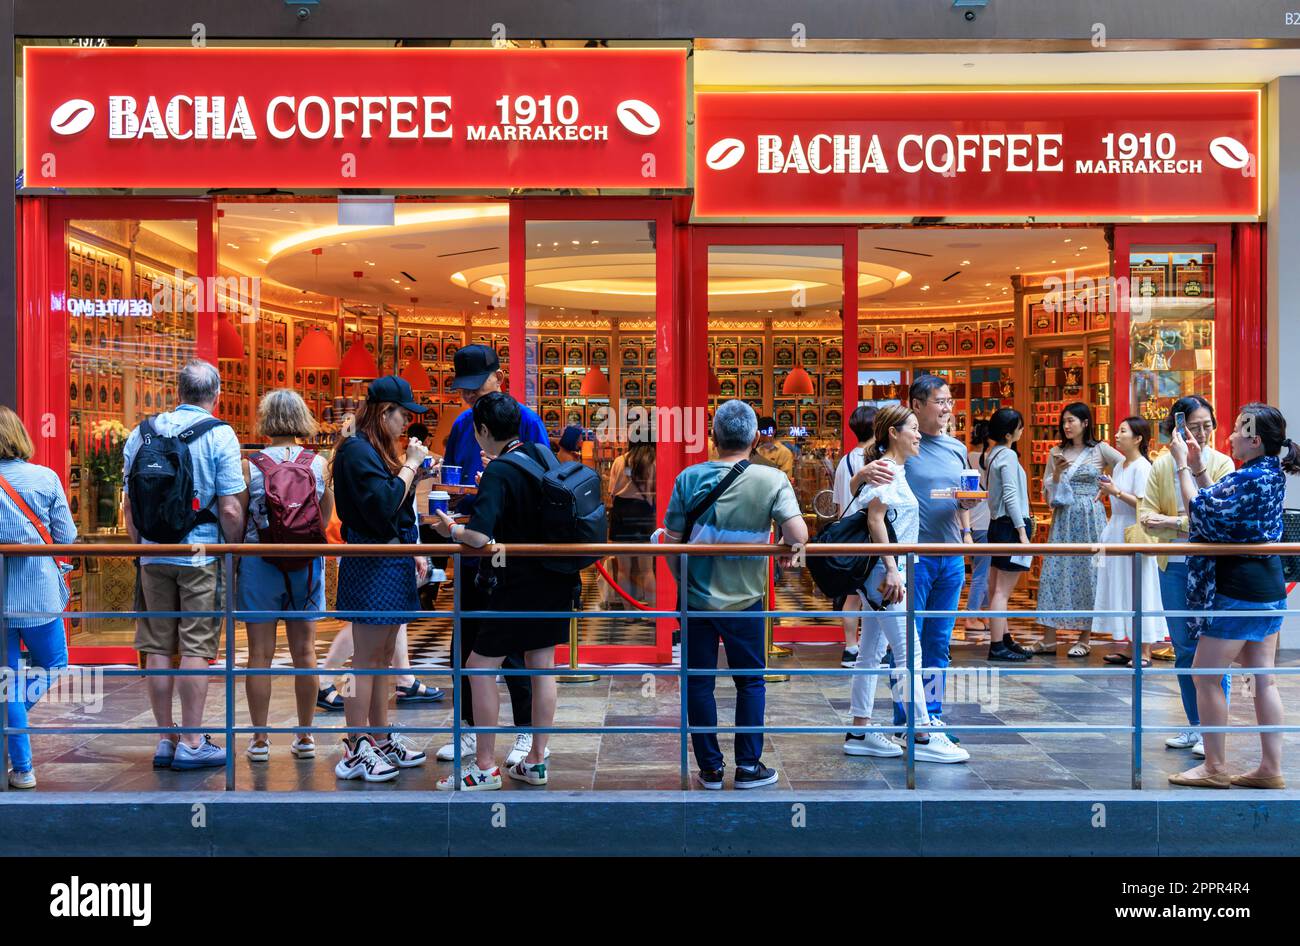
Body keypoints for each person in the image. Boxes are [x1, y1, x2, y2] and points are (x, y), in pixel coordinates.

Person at [432, 392, 578, 791]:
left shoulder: (499, 471)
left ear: (481, 430)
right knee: (542, 666)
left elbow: (479, 535)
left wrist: (453, 530)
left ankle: (483, 766)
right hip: (555, 579)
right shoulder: (540, 454)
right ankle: (536, 761)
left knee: (479, 667)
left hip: (516, 583)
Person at [662, 399, 807, 790]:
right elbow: (798, 536)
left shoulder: (688, 478)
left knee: (697, 682)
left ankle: (709, 770)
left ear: (713, 437)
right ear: (756, 438)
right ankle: (748, 767)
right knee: (750, 681)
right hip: (747, 598)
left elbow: (673, 542)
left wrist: (685, 582)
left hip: (696, 599)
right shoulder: (772, 479)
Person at [121, 360, 247, 771]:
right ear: (217, 393)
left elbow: (129, 505)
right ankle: (193, 742)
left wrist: (141, 549)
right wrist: (233, 552)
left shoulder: (141, 433)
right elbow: (229, 507)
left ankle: (166, 738)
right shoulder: (220, 434)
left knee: (157, 647)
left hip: (153, 554)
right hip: (201, 554)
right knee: (196, 647)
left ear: (177, 391)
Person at [1168, 403, 1295, 790]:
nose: (1230, 436)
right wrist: (1199, 465)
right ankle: (1270, 768)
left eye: (1239, 431)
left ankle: (1214, 765)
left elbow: (1201, 511)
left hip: (1237, 590)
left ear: (1255, 440)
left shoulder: (1252, 478)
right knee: (1264, 680)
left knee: (1205, 675)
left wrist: (1182, 466)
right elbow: (1222, 504)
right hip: (1268, 586)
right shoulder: (1266, 473)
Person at [434, 344, 549, 766]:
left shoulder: (525, 421)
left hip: (509, 550)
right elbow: (454, 480)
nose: (468, 396)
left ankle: (523, 734)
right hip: (471, 545)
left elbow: (543, 483)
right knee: (464, 638)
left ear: (498, 377)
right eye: (463, 389)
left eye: (475, 387)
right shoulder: (464, 424)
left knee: (516, 644)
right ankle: (466, 727)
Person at [842, 405, 969, 763]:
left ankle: (859, 729)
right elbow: (875, 518)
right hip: (888, 577)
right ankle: (922, 734)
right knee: (909, 651)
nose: (919, 435)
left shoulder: (890, 467)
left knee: (870, 652)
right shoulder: (888, 469)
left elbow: (861, 500)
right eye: (912, 428)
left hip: (884, 575)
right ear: (894, 432)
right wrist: (892, 569)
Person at [329, 374, 431, 782]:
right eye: (402, 414)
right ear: (382, 412)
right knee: (366, 658)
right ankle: (355, 747)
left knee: (382, 656)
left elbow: (393, 503)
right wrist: (410, 467)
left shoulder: (373, 448)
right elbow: (384, 502)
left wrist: (413, 474)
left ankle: (378, 736)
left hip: (388, 559)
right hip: (371, 562)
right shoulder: (356, 450)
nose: (406, 422)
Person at [238, 389, 333, 762]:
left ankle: (260, 740)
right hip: (305, 566)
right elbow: (324, 519)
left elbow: (241, 515)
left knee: (259, 654)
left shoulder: (251, 465)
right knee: (305, 653)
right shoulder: (317, 463)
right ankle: (306, 737)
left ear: (266, 420)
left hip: (260, 562)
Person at [1137, 396, 1234, 757]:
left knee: (1214, 649)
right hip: (1174, 566)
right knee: (1183, 649)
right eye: (1194, 426)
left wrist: (1175, 522)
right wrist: (1181, 526)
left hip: (1210, 567)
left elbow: (1215, 520)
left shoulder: (1223, 464)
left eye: (1208, 425)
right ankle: (1195, 725)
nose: (1203, 432)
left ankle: (1213, 731)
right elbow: (1146, 514)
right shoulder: (1162, 466)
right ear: (1178, 427)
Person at [0, 406, 76, 789]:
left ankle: (20, 758)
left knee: (4, 682)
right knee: (54, 662)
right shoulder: (44, 477)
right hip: (37, 593)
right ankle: (22, 765)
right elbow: (66, 537)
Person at [1032, 402, 1123, 657]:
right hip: (1063, 518)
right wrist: (1059, 475)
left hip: (1091, 518)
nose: (1066, 425)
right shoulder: (1055, 452)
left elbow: (1128, 465)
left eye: (1071, 420)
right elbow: (1047, 490)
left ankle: (1085, 637)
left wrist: (1113, 491)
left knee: (1090, 575)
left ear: (1085, 423)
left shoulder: (1101, 450)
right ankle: (1049, 638)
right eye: (1064, 421)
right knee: (1053, 573)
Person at [1096, 417, 1167, 667]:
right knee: (1121, 587)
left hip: (1134, 531)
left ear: (1138, 438)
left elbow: (1144, 504)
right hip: (1116, 528)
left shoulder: (1143, 467)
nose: (1117, 435)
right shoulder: (1119, 466)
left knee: (1139, 587)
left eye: (1122, 431)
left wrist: (1114, 492)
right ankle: (1129, 645)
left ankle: (1145, 649)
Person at [983, 408, 1035, 662]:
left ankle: (1004, 639)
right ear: (1009, 433)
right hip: (1010, 526)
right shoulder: (1009, 456)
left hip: (997, 525)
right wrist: (1022, 532)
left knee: (996, 587)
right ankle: (997, 645)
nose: (1022, 431)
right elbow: (1012, 497)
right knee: (1002, 591)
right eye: (1020, 427)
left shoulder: (992, 454)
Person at [832, 405, 877, 666]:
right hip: (871, 535)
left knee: (851, 596)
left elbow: (839, 507)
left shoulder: (845, 461)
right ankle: (873, 650)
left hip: (849, 536)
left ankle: (851, 648)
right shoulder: (878, 460)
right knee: (873, 596)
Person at [607, 438, 657, 605]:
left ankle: (628, 613)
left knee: (623, 569)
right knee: (648, 570)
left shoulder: (619, 461)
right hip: (645, 513)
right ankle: (653, 614)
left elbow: (612, 492)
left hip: (621, 513)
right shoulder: (654, 461)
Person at [964, 421, 994, 635]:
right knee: (982, 573)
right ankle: (972, 615)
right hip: (984, 521)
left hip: (968, 521)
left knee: (979, 570)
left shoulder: (966, 457)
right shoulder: (989, 459)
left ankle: (982, 613)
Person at [750, 416, 794, 481]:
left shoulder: (784, 452)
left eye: (764, 432)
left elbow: (786, 479)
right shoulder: (757, 450)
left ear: (773, 431)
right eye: (759, 432)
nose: (761, 436)